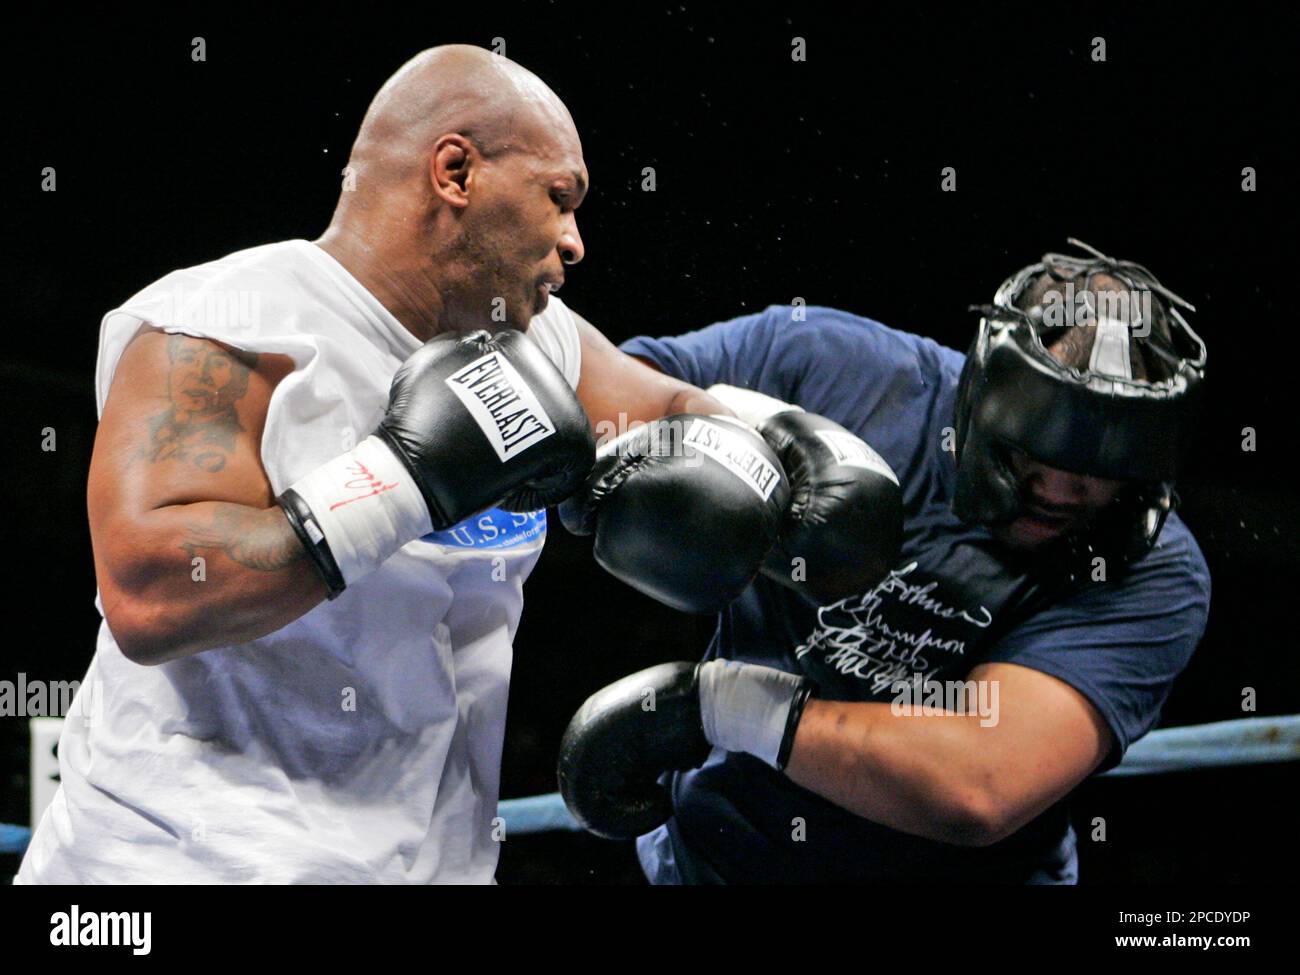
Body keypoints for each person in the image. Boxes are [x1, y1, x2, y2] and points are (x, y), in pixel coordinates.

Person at [16, 44, 788, 884]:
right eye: (558, 199)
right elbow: (149, 591)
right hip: (183, 865)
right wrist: (403, 480)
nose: (574, 242)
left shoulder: (537, 342)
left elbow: (675, 409)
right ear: (455, 172)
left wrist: (781, 439)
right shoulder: (225, 322)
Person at [558, 241, 1212, 884]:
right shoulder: (837, 371)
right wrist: (747, 424)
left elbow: (979, 785)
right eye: (1034, 455)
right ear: (987, 395)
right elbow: (594, 383)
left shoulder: (1157, 574)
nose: (1064, 492)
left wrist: (716, 704)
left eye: (1098, 475)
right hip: (724, 855)